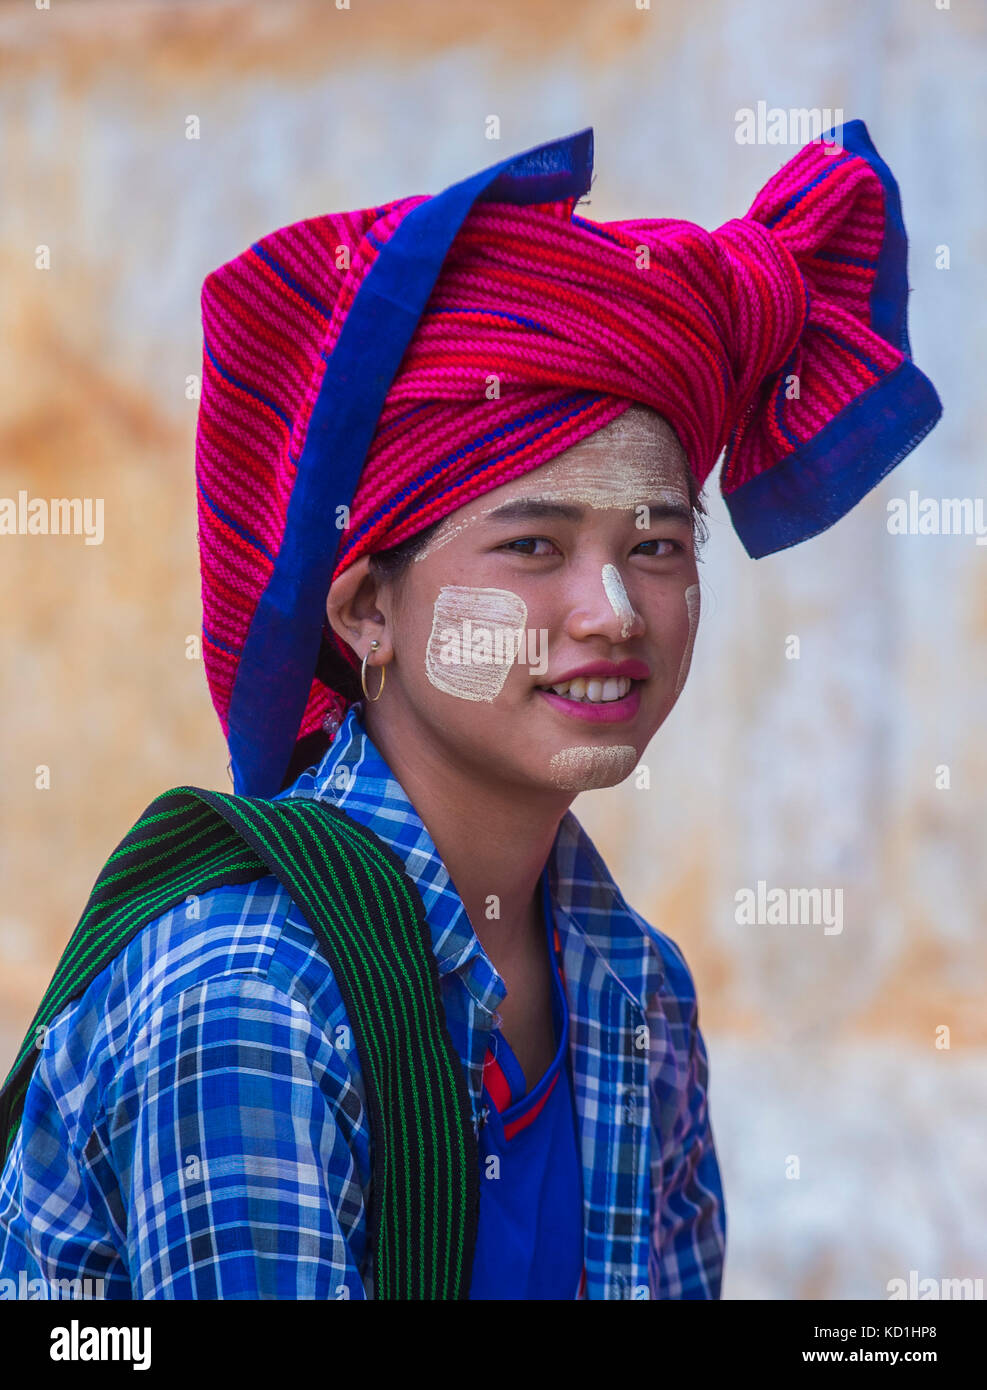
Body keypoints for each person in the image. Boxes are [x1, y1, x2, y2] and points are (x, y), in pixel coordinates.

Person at [0, 120, 940, 1300]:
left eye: (656, 543)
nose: (611, 610)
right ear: (364, 612)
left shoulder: (634, 988)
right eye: (534, 544)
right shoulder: (252, 993)